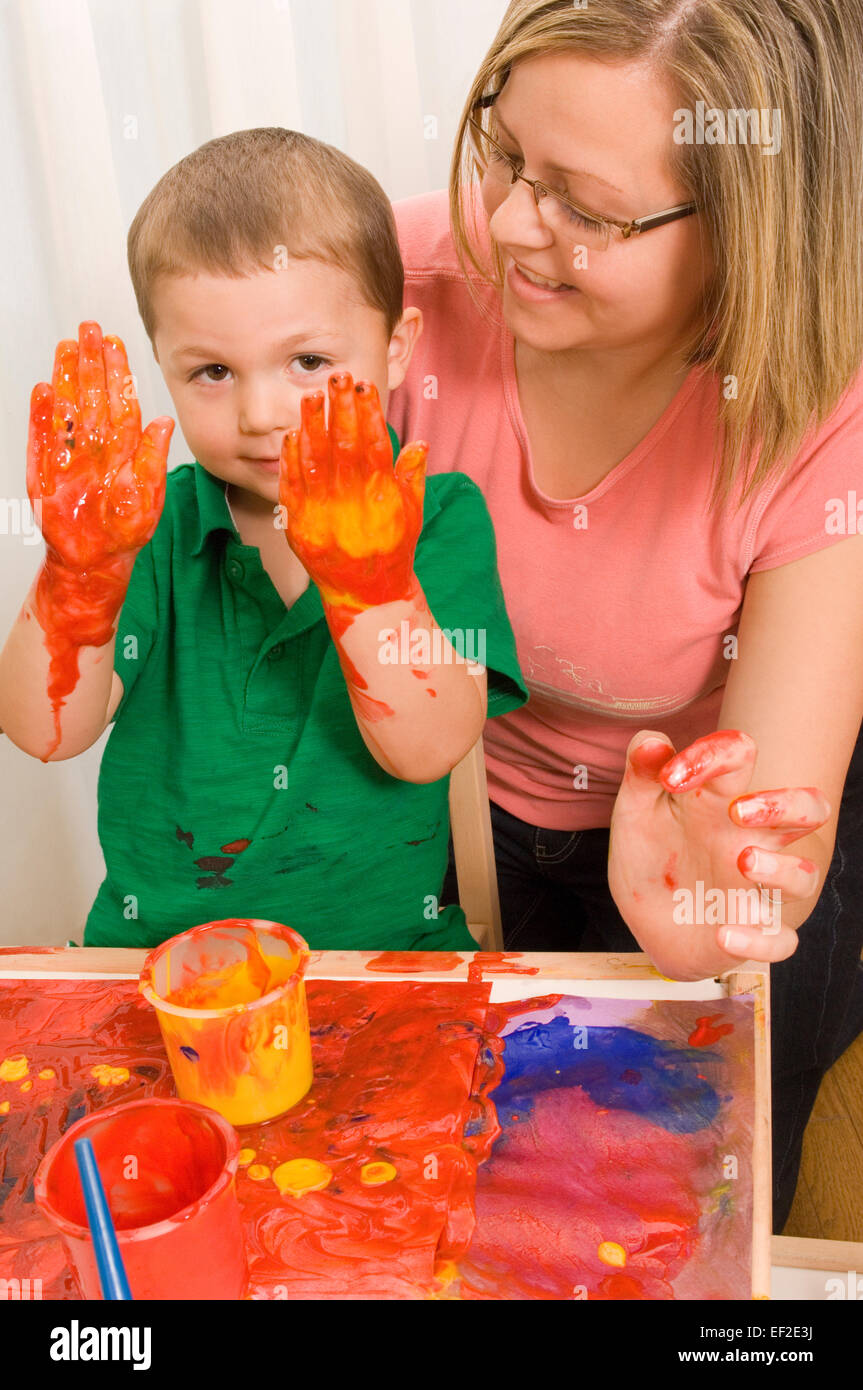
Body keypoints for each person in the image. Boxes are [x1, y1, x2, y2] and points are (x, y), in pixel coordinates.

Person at [388, 0, 863, 1229]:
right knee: (443, 1158)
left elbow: (761, 833)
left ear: (750, 231)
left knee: (699, 1176)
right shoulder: (390, 292)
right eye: (504, 154)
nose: (501, 225)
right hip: (452, 786)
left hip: (679, 825)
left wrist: (717, 910)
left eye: (582, 210)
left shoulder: (825, 408)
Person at [0, 127, 526, 953]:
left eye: (308, 361)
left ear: (395, 352)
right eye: (211, 372)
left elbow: (426, 750)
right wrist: (79, 573)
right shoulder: (150, 528)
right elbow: (44, 733)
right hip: (156, 966)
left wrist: (368, 583)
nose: (261, 414)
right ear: (163, 366)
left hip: (381, 966)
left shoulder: (437, 514)